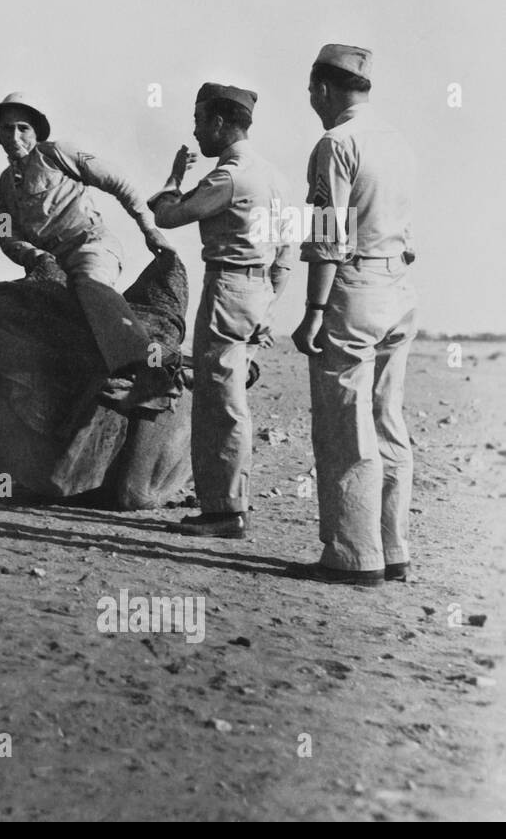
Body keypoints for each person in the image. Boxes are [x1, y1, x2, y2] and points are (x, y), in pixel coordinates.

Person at [289, 45, 417, 587]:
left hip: (356, 287)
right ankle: (393, 549)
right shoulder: (396, 140)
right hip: (401, 286)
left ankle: (351, 555)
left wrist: (314, 310)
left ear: (322, 88)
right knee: (389, 420)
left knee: (346, 423)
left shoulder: (335, 144)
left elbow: (325, 239)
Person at [147, 83, 293, 538]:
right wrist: (268, 302)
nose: (194, 131)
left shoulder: (229, 176)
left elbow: (167, 216)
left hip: (227, 287)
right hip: (256, 292)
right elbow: (287, 252)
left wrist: (173, 178)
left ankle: (226, 511)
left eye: (198, 120)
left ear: (218, 122)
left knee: (219, 404)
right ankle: (226, 504)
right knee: (231, 399)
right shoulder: (272, 174)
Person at [0, 91, 173, 288]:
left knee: (91, 288)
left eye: (23, 128)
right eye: (7, 128)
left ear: (35, 132)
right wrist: (33, 255)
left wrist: (148, 228)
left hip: (89, 247)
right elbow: (6, 234)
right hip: (46, 265)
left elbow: (117, 180)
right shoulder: (0, 189)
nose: (15, 136)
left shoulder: (56, 153)